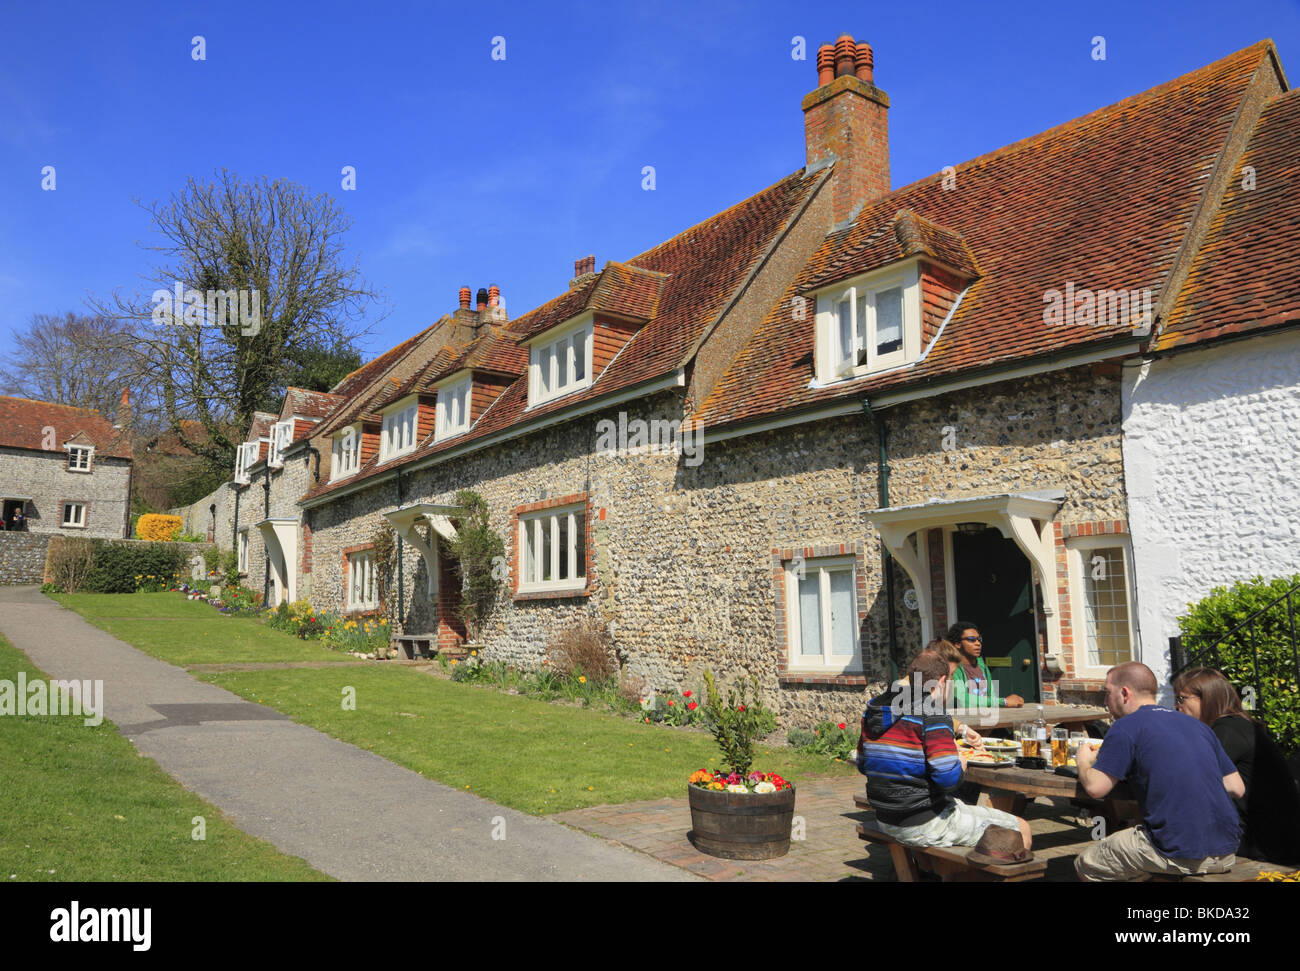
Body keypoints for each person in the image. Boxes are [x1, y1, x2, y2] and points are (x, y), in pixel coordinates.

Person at [1074, 662, 1244, 881]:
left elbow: (1096, 788)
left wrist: (1083, 762)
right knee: (1144, 864)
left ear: (1125, 693)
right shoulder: (1197, 725)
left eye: (1107, 693)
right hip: (1227, 849)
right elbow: (1236, 787)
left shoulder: (1126, 726)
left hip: (1176, 850)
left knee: (1087, 863)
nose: (1105, 701)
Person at [859, 651, 1033, 852]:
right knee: (1021, 828)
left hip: (885, 817)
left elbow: (864, 765)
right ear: (941, 681)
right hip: (924, 822)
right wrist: (959, 765)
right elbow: (947, 780)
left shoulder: (873, 710)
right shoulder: (932, 714)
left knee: (965, 808)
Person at [1173, 667, 1300, 865]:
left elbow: (1192, 779)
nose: (1175, 706)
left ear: (1208, 698)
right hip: (1268, 839)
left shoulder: (1228, 730)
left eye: (1181, 699)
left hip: (1265, 846)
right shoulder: (1234, 725)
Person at [946, 622, 1024, 709]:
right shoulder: (952, 668)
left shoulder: (983, 667)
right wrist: (1004, 702)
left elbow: (992, 697)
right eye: (971, 639)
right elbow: (961, 700)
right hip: (964, 720)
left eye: (979, 639)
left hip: (986, 719)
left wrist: (992, 702)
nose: (978, 643)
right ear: (957, 644)